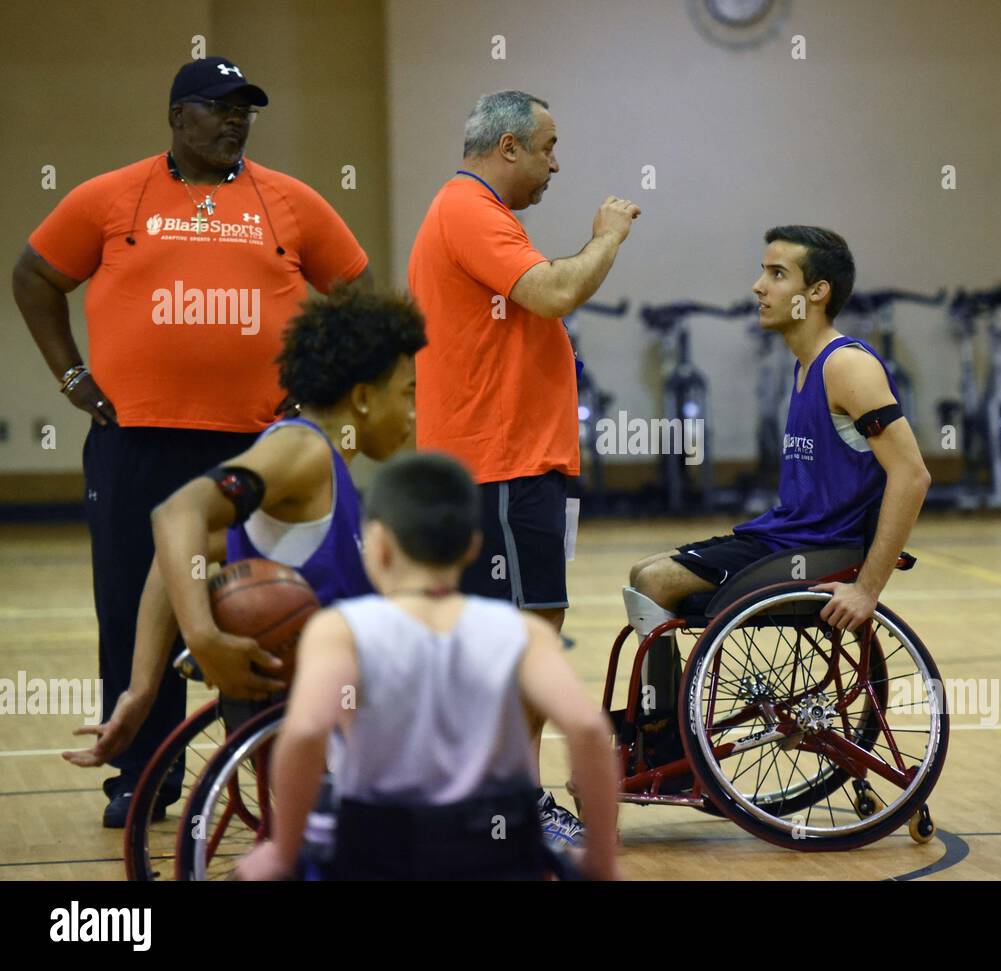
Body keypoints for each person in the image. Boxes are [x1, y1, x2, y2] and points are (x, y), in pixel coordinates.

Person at [14, 56, 372, 825]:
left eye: (245, 109)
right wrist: (72, 377)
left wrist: (313, 386)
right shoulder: (112, 197)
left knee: (255, 605)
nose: (236, 120)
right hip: (134, 441)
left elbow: (356, 290)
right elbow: (35, 276)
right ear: (178, 118)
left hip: (252, 451)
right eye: (219, 107)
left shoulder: (289, 202)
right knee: (129, 607)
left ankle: (273, 765)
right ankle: (142, 776)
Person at [62, 287, 422, 827]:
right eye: (408, 393)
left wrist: (141, 690)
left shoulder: (323, 467)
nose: (415, 413)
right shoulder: (302, 450)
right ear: (365, 398)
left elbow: (172, 562)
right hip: (317, 736)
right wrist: (204, 638)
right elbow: (176, 515)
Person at [407, 89, 639, 845]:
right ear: (507, 146)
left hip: (518, 464)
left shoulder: (480, 214)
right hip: (499, 465)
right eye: (546, 147)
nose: (555, 162)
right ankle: (511, 800)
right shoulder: (469, 207)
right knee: (526, 635)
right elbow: (558, 290)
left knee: (530, 628)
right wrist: (605, 237)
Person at [234, 452, 622, 881]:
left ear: (377, 544)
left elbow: (305, 733)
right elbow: (588, 729)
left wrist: (283, 852)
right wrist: (601, 860)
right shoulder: (522, 632)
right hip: (494, 848)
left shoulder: (340, 629)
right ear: (473, 545)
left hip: (378, 849)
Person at [624, 226, 931, 767]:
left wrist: (867, 590)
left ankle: (667, 745)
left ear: (818, 292)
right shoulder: (804, 365)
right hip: (787, 535)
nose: (758, 287)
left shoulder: (847, 365)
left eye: (776, 273)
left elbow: (912, 476)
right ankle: (661, 732)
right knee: (644, 573)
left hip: (821, 549)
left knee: (653, 581)